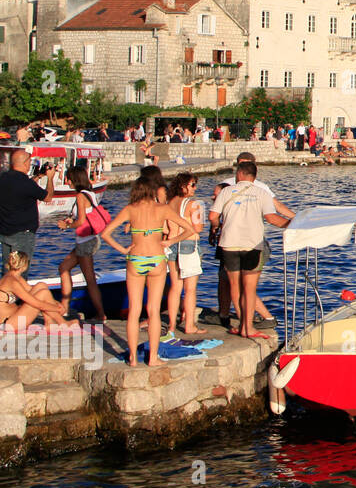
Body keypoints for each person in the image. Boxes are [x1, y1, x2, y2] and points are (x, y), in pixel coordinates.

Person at [101, 177, 196, 367]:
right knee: (153, 310)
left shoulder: (130, 209)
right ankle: (152, 358)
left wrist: (123, 250)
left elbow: (105, 233)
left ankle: (133, 358)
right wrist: (170, 242)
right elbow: (189, 228)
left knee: (135, 310)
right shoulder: (162, 209)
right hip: (156, 259)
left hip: (135, 259)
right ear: (153, 191)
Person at [203, 153, 294, 329]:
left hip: (229, 243)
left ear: (239, 172)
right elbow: (273, 217)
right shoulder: (262, 192)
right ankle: (247, 326)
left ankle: (240, 323)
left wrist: (216, 227)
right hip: (253, 244)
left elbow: (213, 216)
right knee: (249, 288)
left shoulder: (226, 189)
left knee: (234, 285)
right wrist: (294, 223)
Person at [54, 166, 108, 321]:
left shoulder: (80, 196)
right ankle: (65, 307)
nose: (66, 181)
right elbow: (86, 216)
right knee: (64, 268)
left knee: (89, 279)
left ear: (74, 180)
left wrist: (67, 226)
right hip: (89, 240)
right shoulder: (90, 193)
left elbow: (82, 221)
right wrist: (72, 220)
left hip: (85, 242)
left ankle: (100, 314)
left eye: (68, 178)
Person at [165, 173, 205, 336]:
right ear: (183, 186)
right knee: (190, 289)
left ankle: (172, 325)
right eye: (193, 184)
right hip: (189, 245)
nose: (195, 188)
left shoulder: (169, 203)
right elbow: (198, 228)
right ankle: (189, 325)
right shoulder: (194, 204)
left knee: (175, 287)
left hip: (171, 245)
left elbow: (165, 229)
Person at [0, 150, 56, 261]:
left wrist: (39, 176)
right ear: (25, 163)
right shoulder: (26, 182)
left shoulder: (4, 178)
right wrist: (50, 178)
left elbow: (25, 188)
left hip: (5, 231)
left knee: (8, 269)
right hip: (22, 234)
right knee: (20, 270)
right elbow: (48, 197)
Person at [0, 250, 70, 329]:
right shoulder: (12, 282)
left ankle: (49, 322)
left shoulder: (13, 276)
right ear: (25, 266)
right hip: (9, 324)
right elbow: (37, 304)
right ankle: (62, 322)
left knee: (41, 285)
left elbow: (31, 290)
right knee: (43, 293)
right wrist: (57, 308)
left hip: (14, 315)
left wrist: (56, 303)